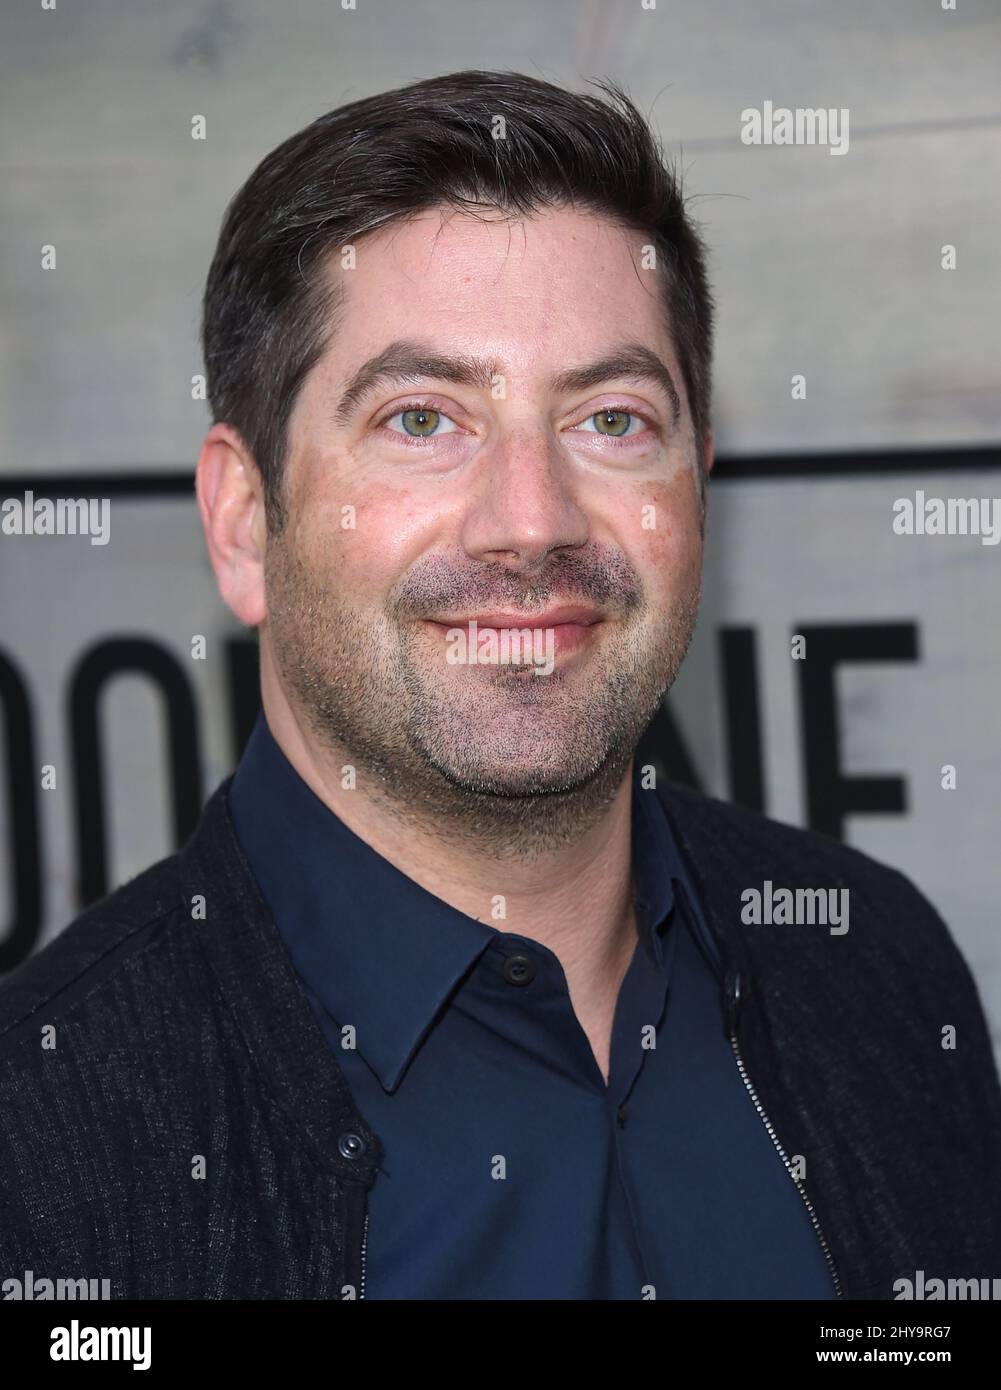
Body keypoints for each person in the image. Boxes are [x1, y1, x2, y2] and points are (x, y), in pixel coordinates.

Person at [1, 69, 999, 1302]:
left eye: (612, 419)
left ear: (696, 491)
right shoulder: (44, 1141)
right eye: (421, 420)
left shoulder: (876, 970)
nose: (529, 523)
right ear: (244, 519)